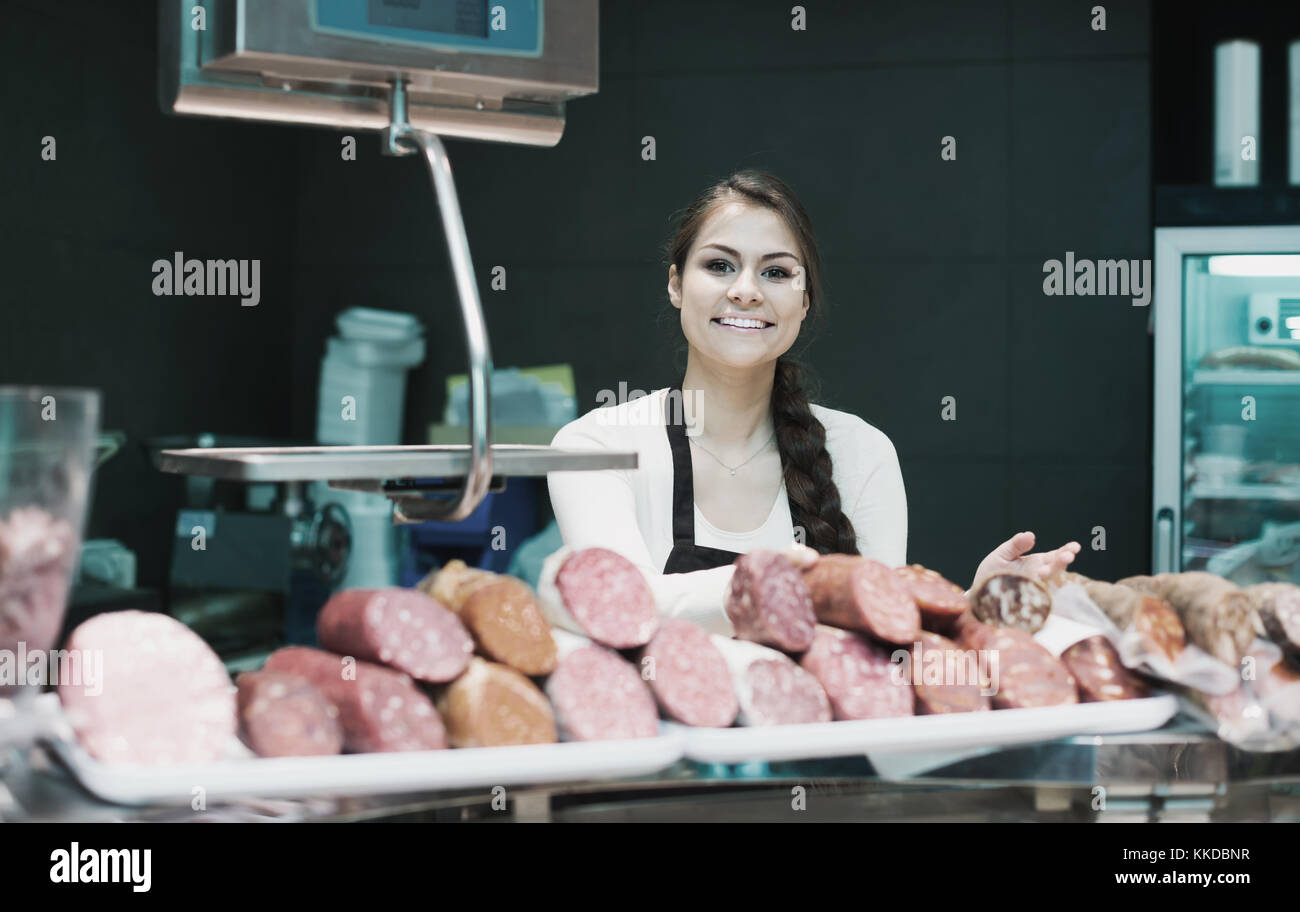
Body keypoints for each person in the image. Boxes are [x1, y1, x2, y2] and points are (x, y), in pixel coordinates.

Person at [546, 169, 1079, 634]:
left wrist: (966, 609)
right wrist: (782, 578)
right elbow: (622, 609)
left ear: (803, 302)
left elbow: (884, 640)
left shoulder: (863, 453)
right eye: (719, 265)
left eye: (776, 272)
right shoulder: (595, 447)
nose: (746, 291)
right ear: (676, 285)